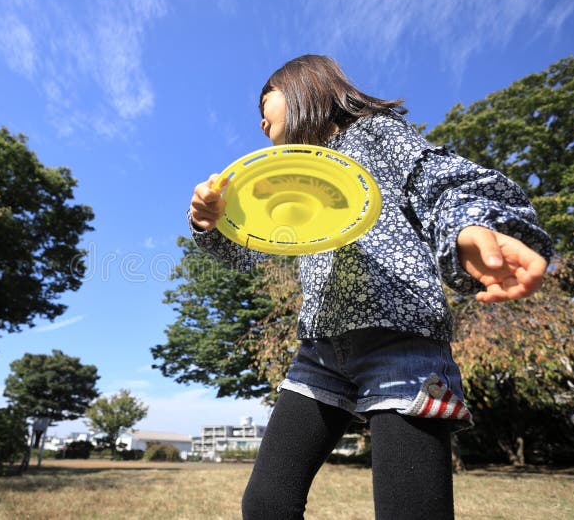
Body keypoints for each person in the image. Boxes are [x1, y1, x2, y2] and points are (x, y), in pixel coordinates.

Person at [188, 55, 552, 520]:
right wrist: (210, 220)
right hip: (319, 354)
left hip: (402, 345)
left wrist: (469, 225)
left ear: (306, 86)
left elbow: (436, 179)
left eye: (265, 101)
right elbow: (251, 248)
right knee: (265, 504)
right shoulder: (291, 174)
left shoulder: (373, 132)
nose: (260, 121)